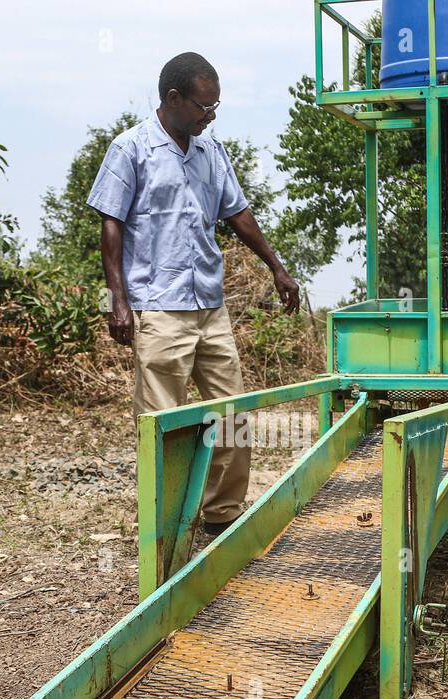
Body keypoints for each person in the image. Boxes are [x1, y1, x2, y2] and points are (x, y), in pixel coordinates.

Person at [88, 52, 299, 536]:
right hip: (159, 306)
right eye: (204, 106)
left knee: (232, 413)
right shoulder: (131, 148)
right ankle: (164, 525)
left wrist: (278, 269)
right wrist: (118, 301)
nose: (211, 115)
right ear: (173, 99)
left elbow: (238, 214)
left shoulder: (211, 152)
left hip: (210, 303)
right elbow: (111, 226)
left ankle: (221, 515)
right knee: (166, 423)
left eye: (216, 106)